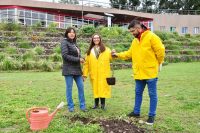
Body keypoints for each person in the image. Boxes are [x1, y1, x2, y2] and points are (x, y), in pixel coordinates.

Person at [112, 20, 165, 125]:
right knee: (137, 93)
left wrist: (159, 63)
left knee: (152, 94)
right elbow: (129, 54)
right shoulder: (135, 41)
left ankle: (151, 116)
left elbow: (160, 51)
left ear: (138, 28)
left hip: (150, 72)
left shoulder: (152, 37)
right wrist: (117, 55)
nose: (131, 33)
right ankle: (136, 112)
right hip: (139, 73)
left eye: (132, 31)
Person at [83, 33, 112, 110]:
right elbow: (86, 64)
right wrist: (84, 75)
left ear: (100, 39)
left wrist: (114, 53)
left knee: (102, 88)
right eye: (94, 38)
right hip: (94, 73)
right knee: (95, 88)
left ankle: (103, 105)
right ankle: (96, 105)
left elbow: (112, 57)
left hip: (103, 73)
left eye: (97, 38)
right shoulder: (89, 52)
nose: (96, 39)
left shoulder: (106, 50)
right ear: (92, 40)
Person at [61, 27, 86, 112]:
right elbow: (65, 55)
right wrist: (78, 59)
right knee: (69, 88)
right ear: (67, 34)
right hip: (68, 69)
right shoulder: (64, 42)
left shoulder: (75, 43)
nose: (72, 34)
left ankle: (82, 106)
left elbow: (77, 56)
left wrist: (81, 58)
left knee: (81, 87)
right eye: (70, 32)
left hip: (77, 70)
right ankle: (71, 107)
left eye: (73, 32)